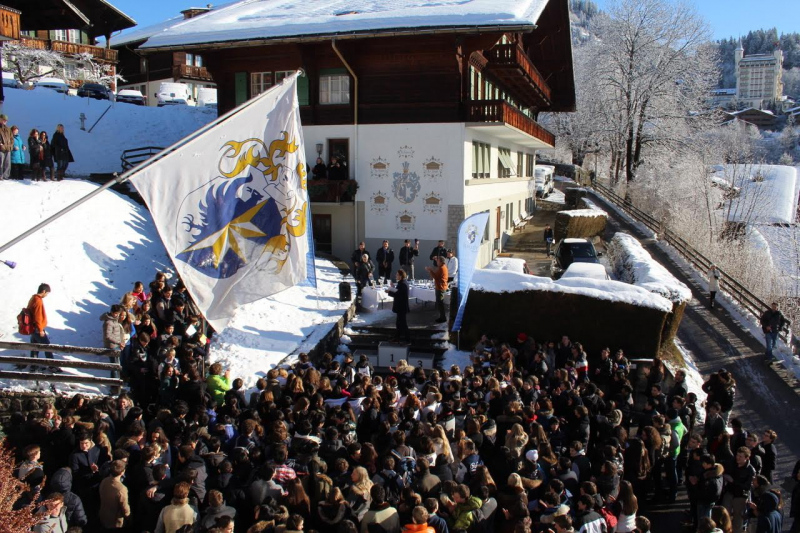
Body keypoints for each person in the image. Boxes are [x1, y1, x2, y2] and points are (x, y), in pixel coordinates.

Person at [27, 283, 58, 372]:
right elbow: (38, 317)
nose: (46, 295)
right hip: (37, 328)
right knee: (47, 346)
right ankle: (52, 365)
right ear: (43, 291)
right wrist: (40, 330)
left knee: (35, 346)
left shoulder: (33, 298)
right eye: (47, 293)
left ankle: (33, 364)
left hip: (33, 327)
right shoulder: (38, 300)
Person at [99, 459, 130, 531]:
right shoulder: (121, 489)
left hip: (103, 516)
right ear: (122, 472)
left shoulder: (104, 481)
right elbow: (125, 508)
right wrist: (129, 517)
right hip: (115, 522)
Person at [388, 270, 411, 343]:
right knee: (399, 323)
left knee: (403, 324)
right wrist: (393, 287)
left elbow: (398, 294)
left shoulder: (403, 284)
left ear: (401, 276)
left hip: (401, 307)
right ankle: (397, 337)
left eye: (397, 275)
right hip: (401, 306)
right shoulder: (402, 283)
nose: (396, 276)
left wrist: (389, 292)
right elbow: (398, 291)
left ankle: (408, 339)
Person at [425, 256, 448, 324]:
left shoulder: (442, 268)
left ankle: (443, 318)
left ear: (441, 262)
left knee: (440, 303)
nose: (436, 262)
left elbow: (436, 277)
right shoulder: (443, 267)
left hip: (440, 287)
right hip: (440, 287)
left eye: (437, 261)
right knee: (439, 303)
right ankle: (442, 317)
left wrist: (430, 270)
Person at [0, 113, 12, 179]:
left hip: (8, 148)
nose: (5, 121)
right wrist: (1, 145)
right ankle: (0, 175)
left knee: (7, 163)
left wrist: (10, 146)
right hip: (1, 148)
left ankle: (6, 175)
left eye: (6, 120)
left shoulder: (8, 129)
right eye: (3, 120)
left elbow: (11, 138)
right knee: (0, 162)